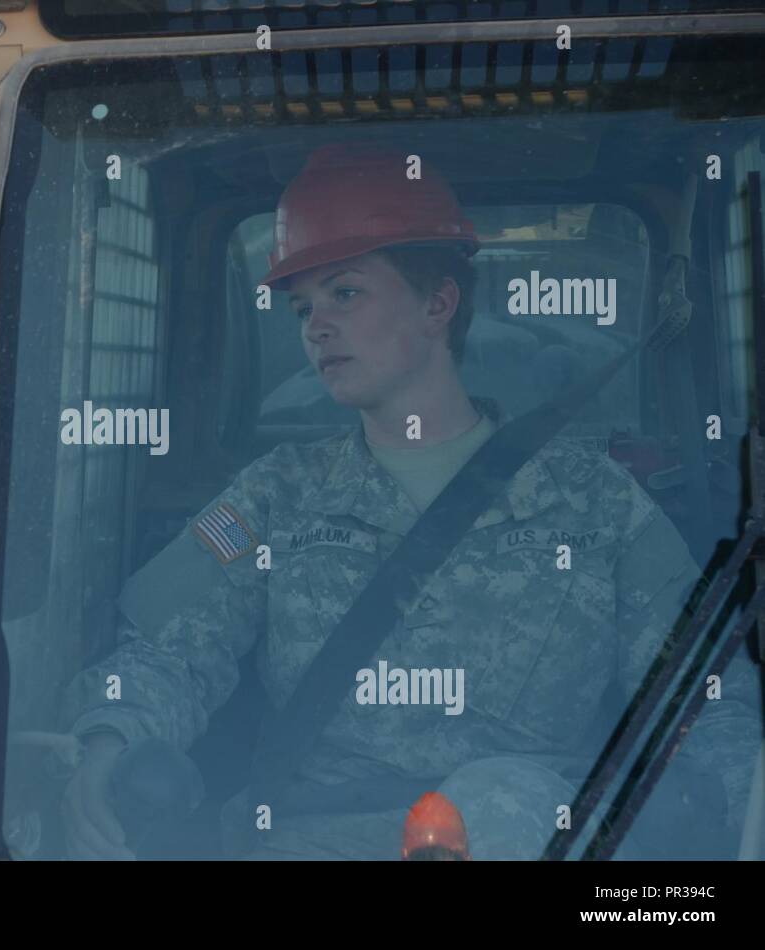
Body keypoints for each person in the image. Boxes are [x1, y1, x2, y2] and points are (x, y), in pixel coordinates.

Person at [58, 144, 758, 860]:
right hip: (309, 839)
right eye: (304, 306)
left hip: (525, 836)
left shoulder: (594, 502)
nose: (315, 325)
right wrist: (109, 741)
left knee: (499, 800)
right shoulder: (277, 496)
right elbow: (168, 655)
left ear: (438, 304)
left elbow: (704, 699)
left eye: (346, 292)